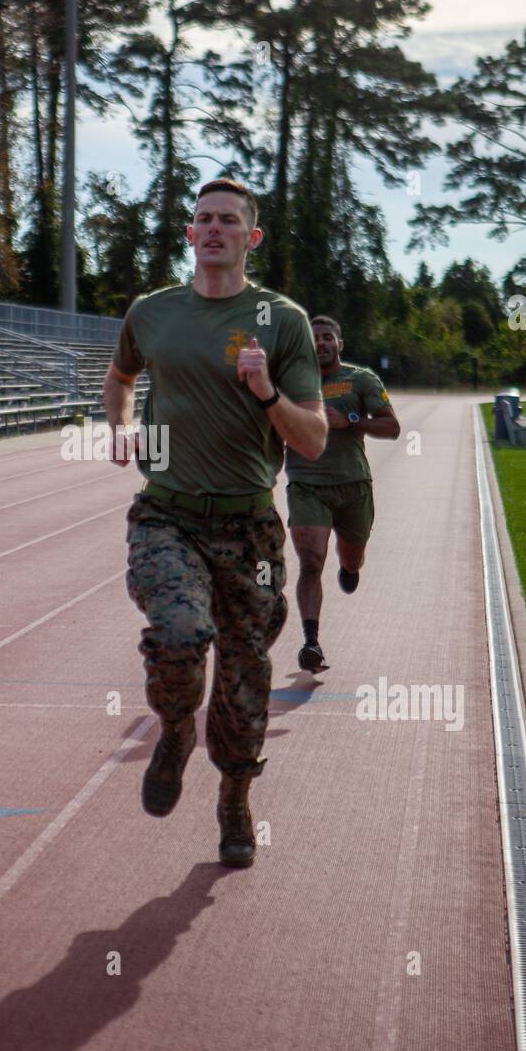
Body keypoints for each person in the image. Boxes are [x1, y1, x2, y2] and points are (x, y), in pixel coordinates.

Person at [103, 179, 326, 867]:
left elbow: (314, 439)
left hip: (249, 528)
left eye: (229, 221)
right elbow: (119, 376)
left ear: (250, 237)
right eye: (202, 219)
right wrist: (119, 425)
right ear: (190, 233)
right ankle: (173, 730)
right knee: (177, 633)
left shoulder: (282, 320)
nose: (214, 230)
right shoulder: (153, 312)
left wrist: (264, 393)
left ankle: (234, 795)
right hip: (166, 514)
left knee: (243, 677)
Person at [285, 315, 400, 672]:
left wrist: (351, 422)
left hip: (353, 487)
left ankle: (350, 568)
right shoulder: (291, 384)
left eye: (327, 337)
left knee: (351, 560)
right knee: (311, 562)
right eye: (314, 338)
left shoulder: (360, 379)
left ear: (339, 343)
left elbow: (392, 427)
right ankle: (311, 642)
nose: (320, 343)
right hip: (306, 485)